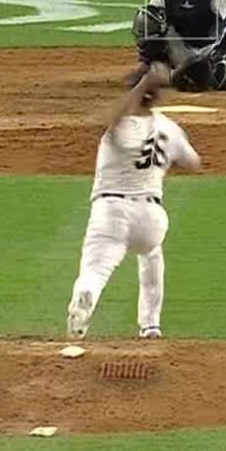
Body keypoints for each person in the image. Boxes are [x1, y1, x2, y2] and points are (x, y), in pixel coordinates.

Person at [65, 62, 201, 342]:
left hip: (112, 212)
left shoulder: (121, 125)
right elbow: (193, 163)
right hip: (152, 217)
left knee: (94, 271)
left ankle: (86, 298)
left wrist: (142, 85)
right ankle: (151, 325)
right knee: (151, 254)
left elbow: (108, 120)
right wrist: (159, 164)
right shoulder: (169, 128)